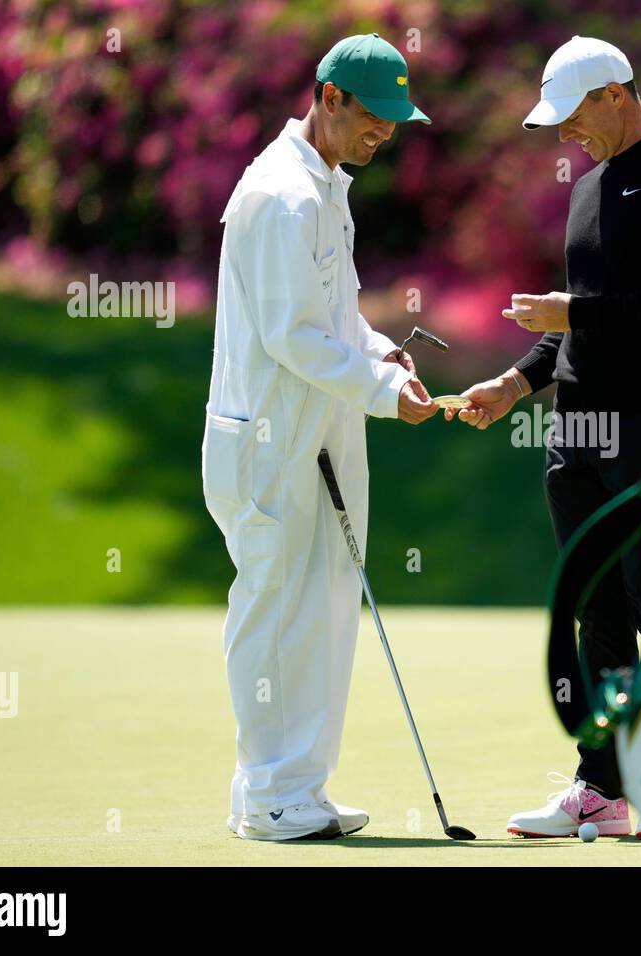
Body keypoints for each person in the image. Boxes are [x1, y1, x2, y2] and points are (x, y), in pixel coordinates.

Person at [448, 36, 641, 837]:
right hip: (576, 434)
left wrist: (572, 315)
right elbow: (584, 311)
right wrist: (515, 383)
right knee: (596, 611)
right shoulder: (591, 185)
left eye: (572, 116)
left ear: (614, 94)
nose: (563, 135)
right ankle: (603, 790)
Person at [202, 33, 436, 841]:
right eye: (375, 117)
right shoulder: (284, 194)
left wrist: (380, 355)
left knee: (323, 610)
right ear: (329, 97)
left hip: (317, 436)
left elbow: (333, 322)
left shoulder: (326, 185)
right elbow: (290, 337)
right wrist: (379, 390)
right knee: (274, 610)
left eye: (395, 121)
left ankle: (297, 785)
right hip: (269, 440)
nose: (386, 134)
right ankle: (266, 793)